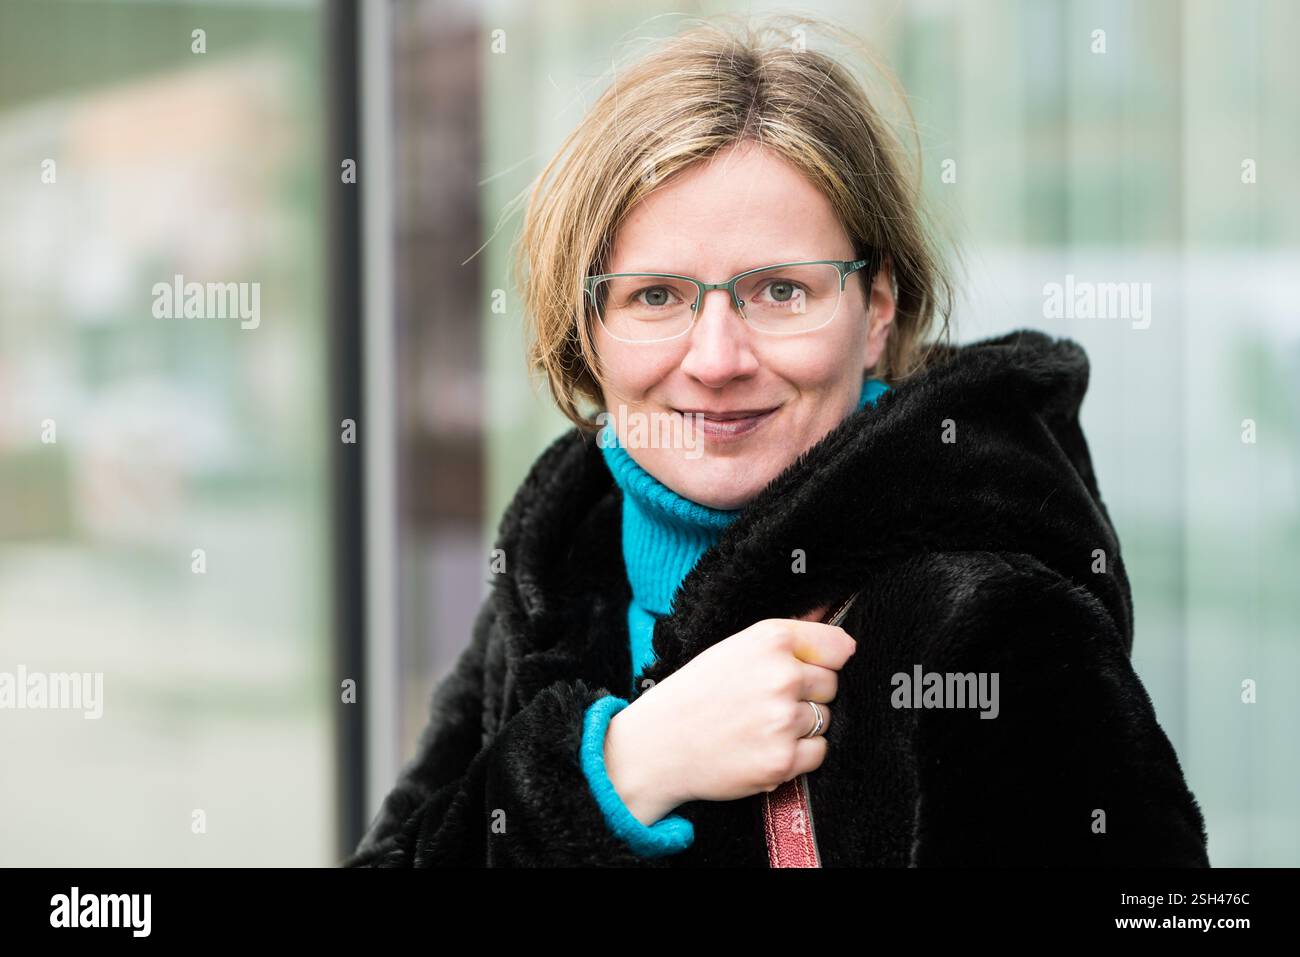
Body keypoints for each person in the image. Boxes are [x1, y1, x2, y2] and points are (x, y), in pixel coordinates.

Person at [344, 14, 1209, 867]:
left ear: (877, 311)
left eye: (781, 292)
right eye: (656, 296)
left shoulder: (986, 626)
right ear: (587, 326)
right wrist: (623, 768)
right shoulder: (559, 576)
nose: (717, 359)